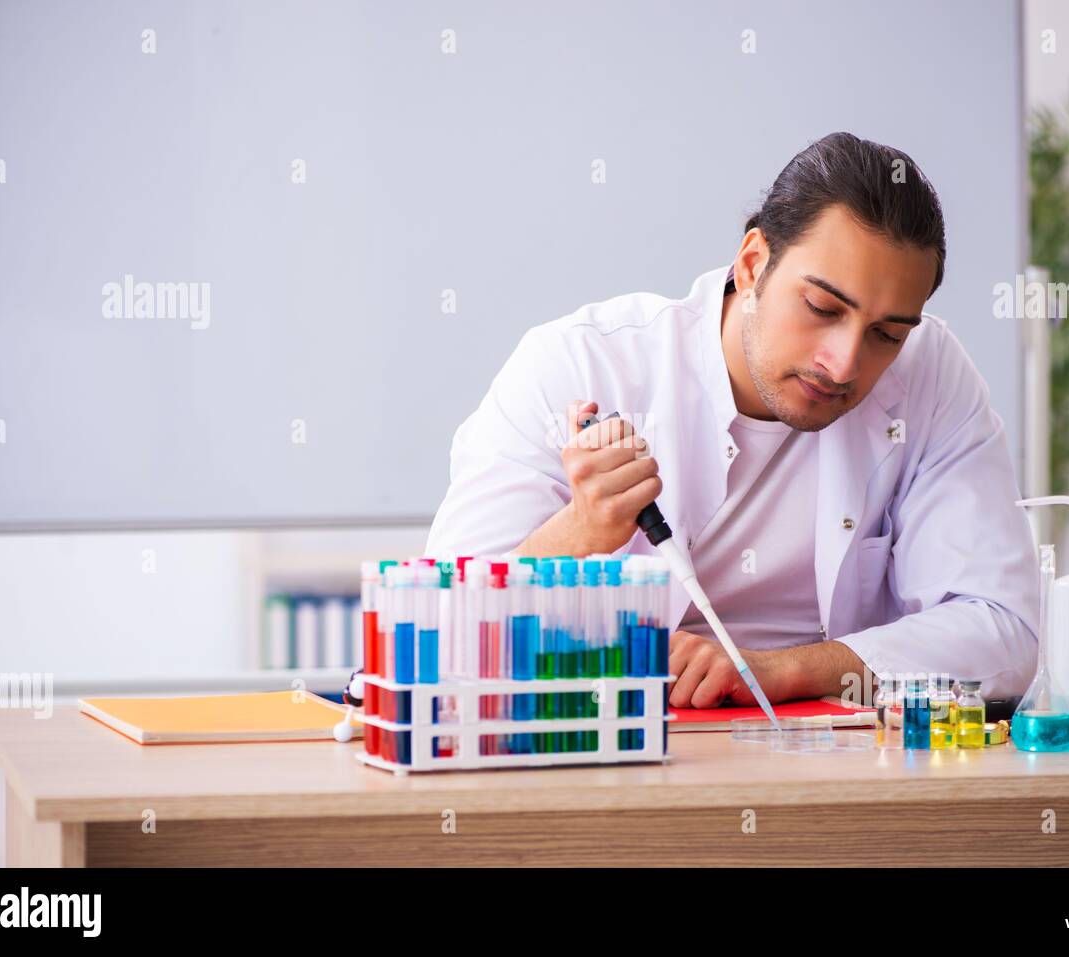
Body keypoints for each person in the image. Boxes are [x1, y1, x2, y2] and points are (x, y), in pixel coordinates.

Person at [426, 132, 1037, 708]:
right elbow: (438, 632)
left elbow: (1005, 633)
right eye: (823, 307)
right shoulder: (581, 363)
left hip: (828, 761)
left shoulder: (930, 375)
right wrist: (580, 532)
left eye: (886, 334)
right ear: (751, 264)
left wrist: (781, 670)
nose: (845, 362)